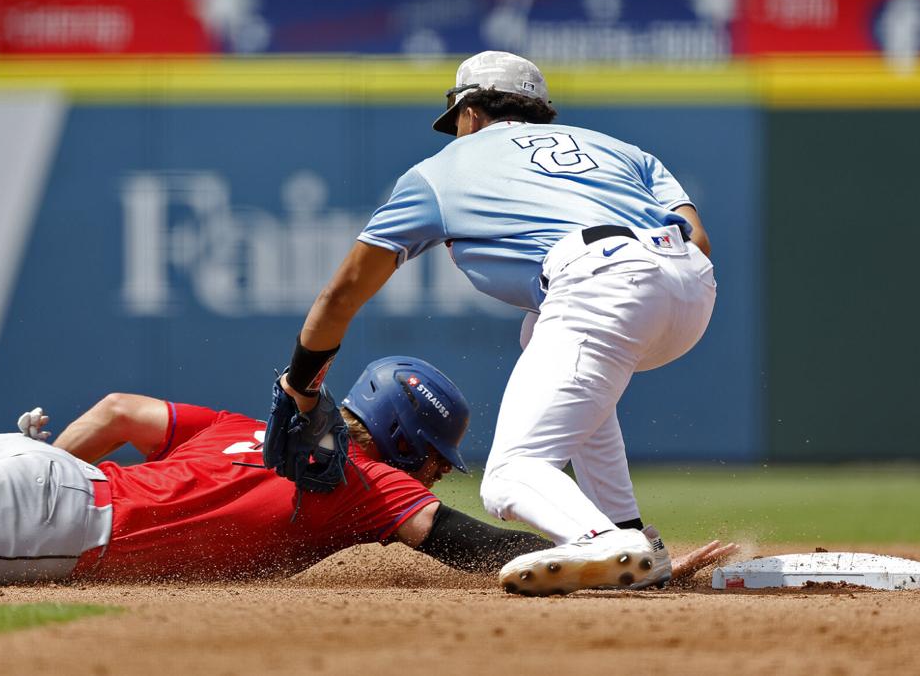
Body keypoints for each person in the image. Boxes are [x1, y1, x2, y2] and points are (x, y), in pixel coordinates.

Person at [274, 51, 718, 596]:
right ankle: (626, 532)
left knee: (509, 475)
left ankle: (601, 539)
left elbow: (342, 293)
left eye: (456, 121)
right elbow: (698, 239)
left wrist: (300, 382)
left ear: (471, 113)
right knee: (539, 330)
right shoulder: (621, 150)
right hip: (692, 289)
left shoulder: (440, 172)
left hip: (604, 282)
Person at [0, 357, 559, 585]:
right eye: (430, 460)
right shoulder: (369, 481)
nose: (432, 478)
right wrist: (595, 554)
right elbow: (472, 545)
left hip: (27, 465)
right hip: (59, 522)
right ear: (401, 442)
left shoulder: (242, 427)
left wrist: (45, 467)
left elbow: (118, 411)